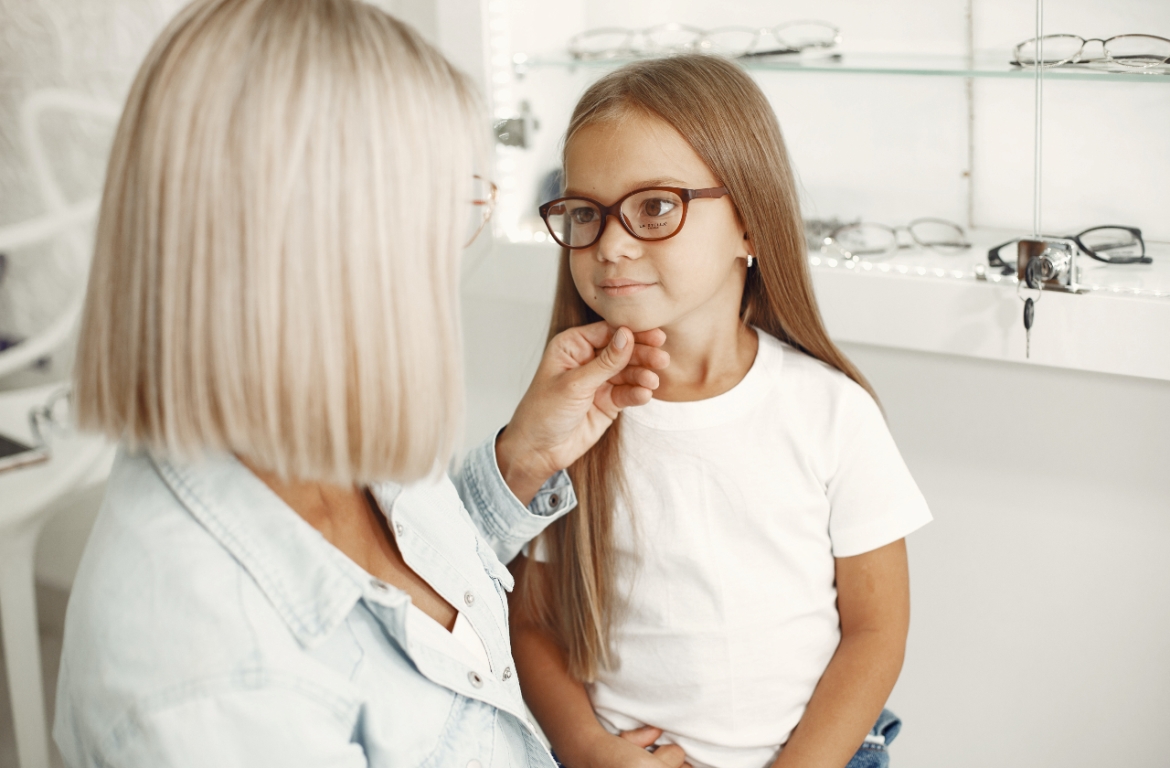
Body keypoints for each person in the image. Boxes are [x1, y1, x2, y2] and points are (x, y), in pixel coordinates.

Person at [53, 1, 670, 766]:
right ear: (325, 247)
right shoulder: (215, 687)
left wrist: (516, 465)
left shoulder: (300, 416)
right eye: (447, 207)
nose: (455, 248)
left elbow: (397, 596)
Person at [510, 55, 933, 768]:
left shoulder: (831, 412)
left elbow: (877, 630)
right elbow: (535, 623)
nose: (611, 244)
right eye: (586, 212)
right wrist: (583, 746)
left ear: (751, 226)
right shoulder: (567, 420)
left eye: (654, 208)